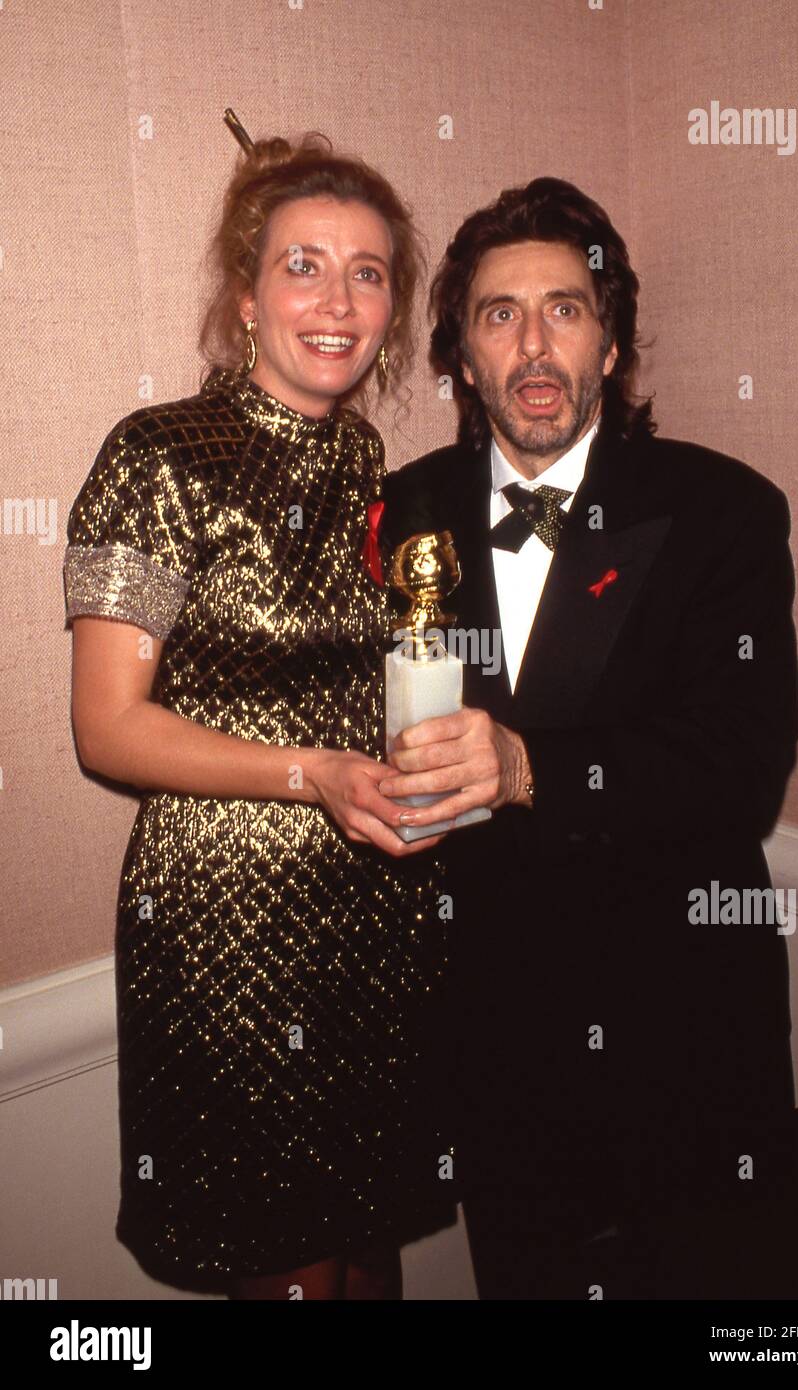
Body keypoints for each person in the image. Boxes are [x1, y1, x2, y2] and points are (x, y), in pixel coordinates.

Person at [379, 176, 798, 1299]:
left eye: (564, 309)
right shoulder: (404, 510)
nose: (533, 344)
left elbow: (744, 763)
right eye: (499, 315)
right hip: (493, 1047)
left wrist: (528, 768)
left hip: (682, 1035)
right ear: (463, 359)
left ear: (610, 346)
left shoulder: (724, 510)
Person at [62, 115, 454, 1300]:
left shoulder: (371, 464)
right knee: (285, 1258)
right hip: (228, 919)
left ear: (392, 308)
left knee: (372, 1241)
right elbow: (107, 729)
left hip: (378, 904)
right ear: (246, 297)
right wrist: (312, 771)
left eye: (368, 272)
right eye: (304, 265)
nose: (337, 299)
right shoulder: (159, 454)